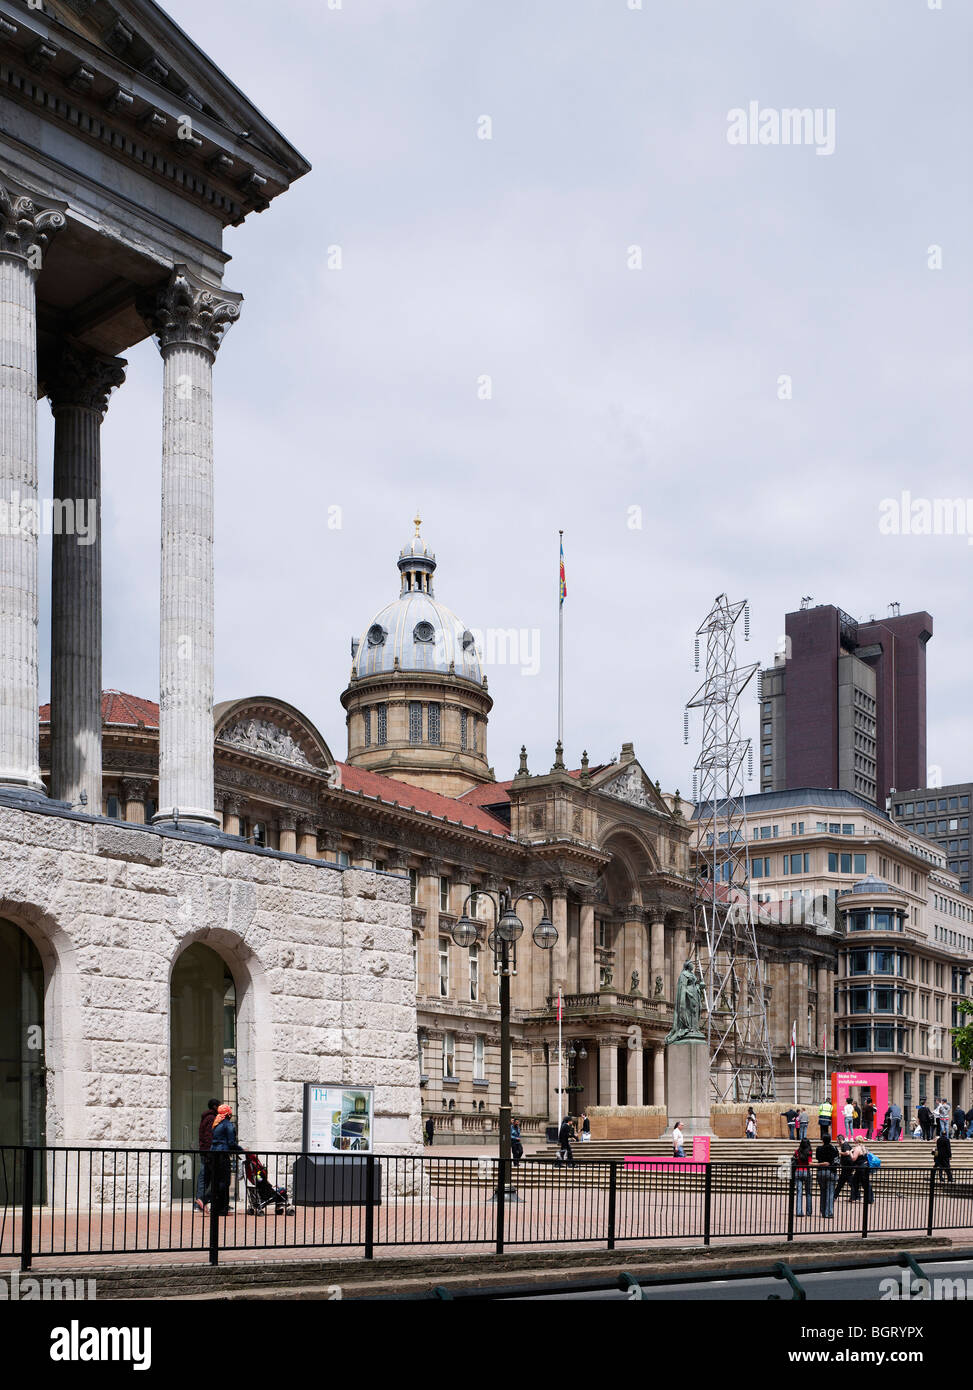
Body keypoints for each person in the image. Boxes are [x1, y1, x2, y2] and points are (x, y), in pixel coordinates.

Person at [209, 1102, 242, 1216]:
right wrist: (242, 1151)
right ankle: (223, 1208)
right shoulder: (228, 1125)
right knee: (225, 1182)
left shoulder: (216, 1124)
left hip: (214, 1154)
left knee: (216, 1181)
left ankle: (215, 1208)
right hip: (223, 1155)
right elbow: (231, 1143)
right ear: (228, 1114)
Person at [194, 1097, 219, 1213]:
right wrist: (211, 1152)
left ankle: (200, 1202)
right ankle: (201, 1201)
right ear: (214, 1107)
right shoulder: (211, 1119)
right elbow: (209, 1137)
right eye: (218, 1105)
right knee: (212, 1178)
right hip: (209, 1152)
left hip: (205, 1151)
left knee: (204, 1177)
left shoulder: (206, 1118)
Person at [816, 1134, 839, 1217]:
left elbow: (818, 1158)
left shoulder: (819, 1149)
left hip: (821, 1171)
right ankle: (829, 1212)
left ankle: (823, 1210)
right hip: (831, 1171)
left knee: (823, 1191)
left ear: (823, 1140)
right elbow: (837, 1161)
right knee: (830, 1192)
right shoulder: (834, 1149)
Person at [793, 1137, 813, 1217]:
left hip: (798, 1171)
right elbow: (810, 1162)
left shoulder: (797, 1151)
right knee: (808, 1192)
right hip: (806, 1171)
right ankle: (809, 1211)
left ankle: (799, 1211)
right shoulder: (809, 1151)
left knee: (799, 1192)